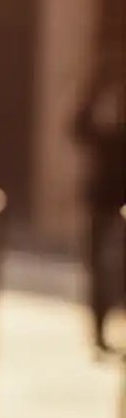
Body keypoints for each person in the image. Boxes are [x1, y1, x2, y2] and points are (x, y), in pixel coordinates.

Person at [72, 45, 125, 356]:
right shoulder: (99, 107)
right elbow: (77, 129)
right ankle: (99, 330)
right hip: (102, 198)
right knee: (99, 267)